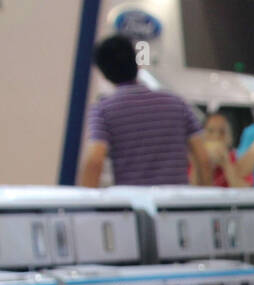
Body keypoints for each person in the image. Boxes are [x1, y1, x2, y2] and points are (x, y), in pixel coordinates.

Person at [79, 34, 211, 187]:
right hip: (175, 205)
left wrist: (89, 203)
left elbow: (95, 161)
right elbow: (204, 160)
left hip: (133, 205)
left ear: (103, 73)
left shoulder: (103, 110)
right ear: (137, 63)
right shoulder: (177, 104)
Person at [191, 112, 251, 188]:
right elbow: (190, 189)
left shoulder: (238, 157)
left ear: (229, 137)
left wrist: (226, 164)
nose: (216, 136)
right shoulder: (194, 157)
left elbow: (246, 191)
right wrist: (203, 163)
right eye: (210, 131)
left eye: (222, 132)